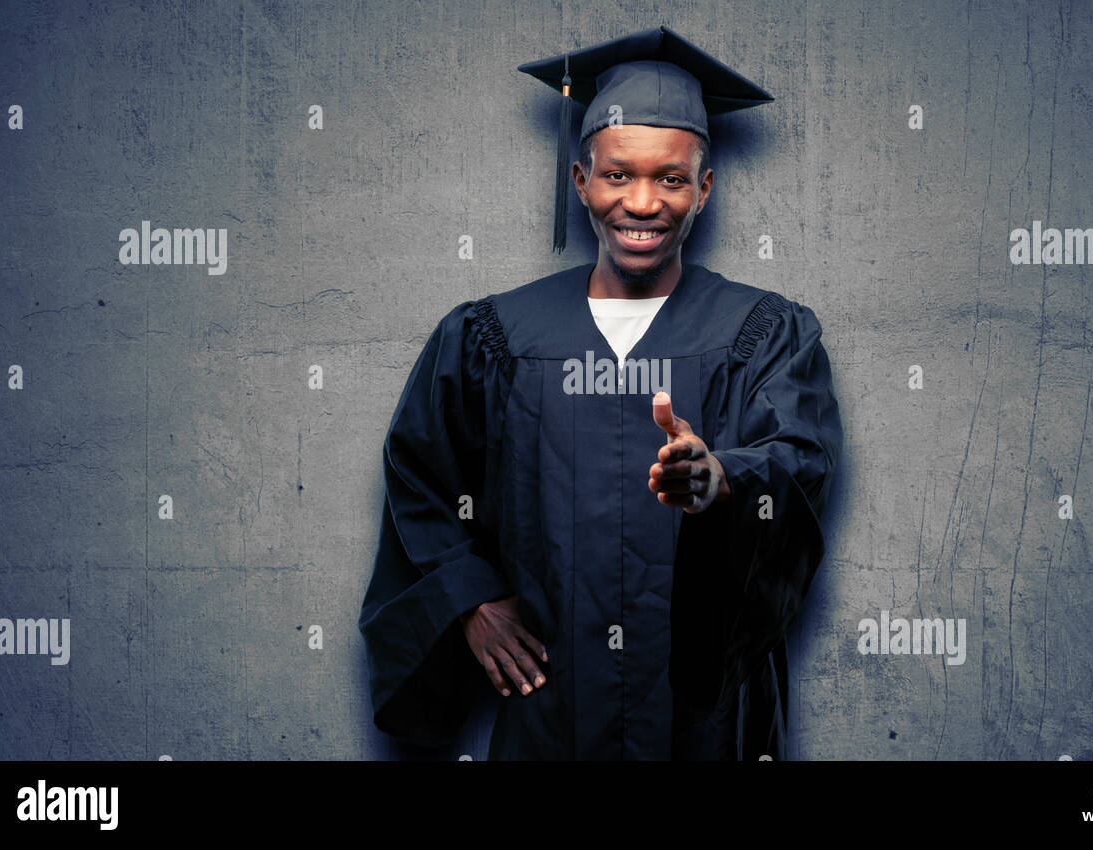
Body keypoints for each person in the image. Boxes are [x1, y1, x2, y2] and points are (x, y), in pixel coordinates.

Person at [358, 26, 843, 760]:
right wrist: (469, 600)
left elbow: (799, 459)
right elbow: (420, 474)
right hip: (551, 713)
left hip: (703, 717)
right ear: (580, 179)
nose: (643, 202)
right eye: (618, 175)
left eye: (671, 178)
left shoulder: (766, 332)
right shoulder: (494, 336)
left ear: (704, 188)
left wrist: (722, 480)